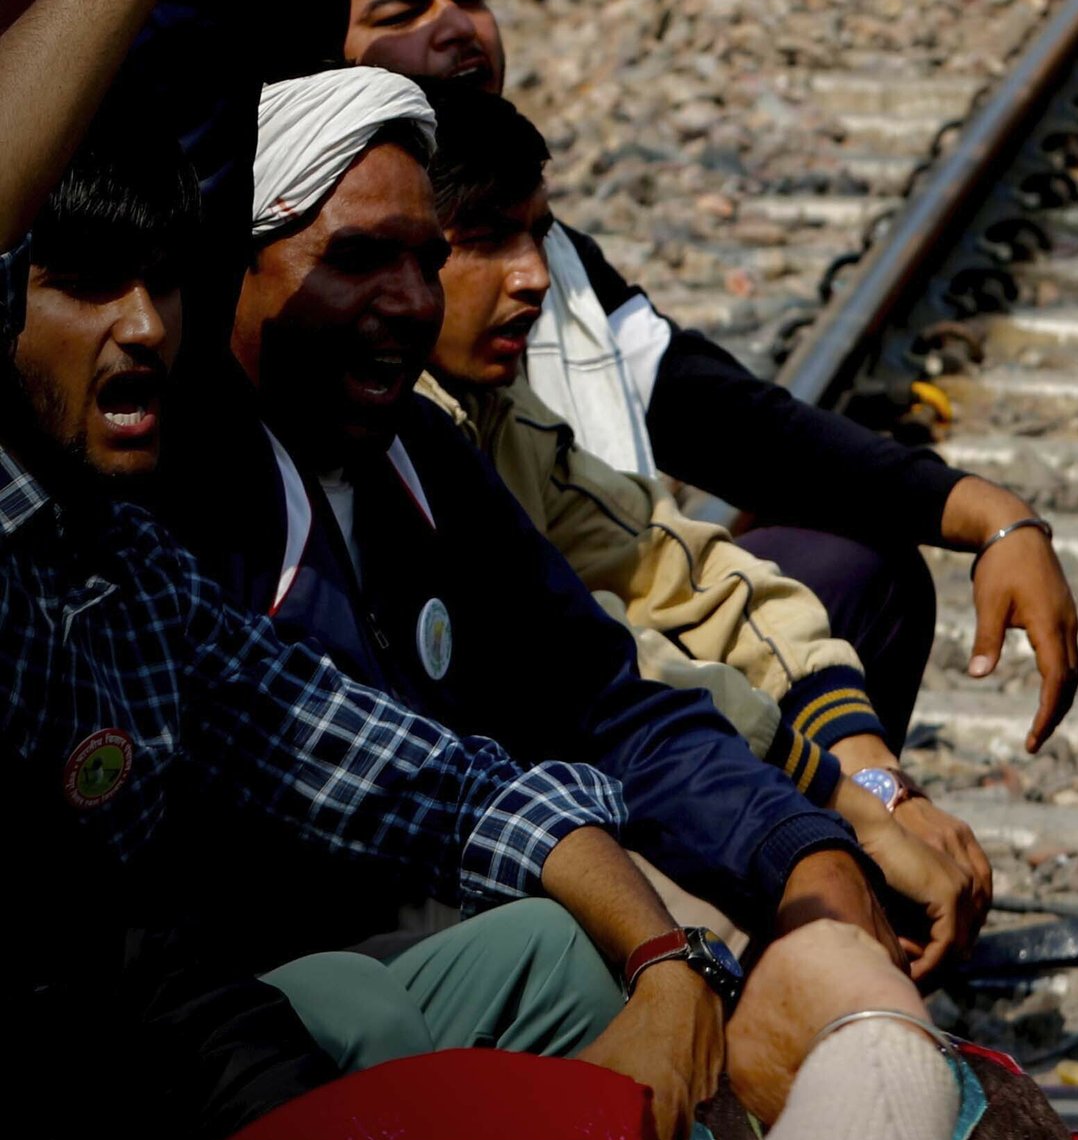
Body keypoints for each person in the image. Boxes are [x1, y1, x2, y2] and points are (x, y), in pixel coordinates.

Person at [0, 0, 717, 1140]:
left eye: (164, 285)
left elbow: (420, 776)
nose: (145, 326)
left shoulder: (132, 578)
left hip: (142, 1014)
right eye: (84, 286)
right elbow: (232, 86)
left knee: (557, 955)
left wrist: (667, 958)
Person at [154, 64, 913, 990]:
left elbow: (603, 696)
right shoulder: (191, 482)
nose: (408, 300)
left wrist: (800, 850)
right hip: (266, 1006)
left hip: (442, 941)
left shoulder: (422, 453)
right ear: (229, 261)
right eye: (355, 259)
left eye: (425, 260)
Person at [344, 0, 1078, 757]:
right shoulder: (334, 338)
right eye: (400, 13)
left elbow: (724, 425)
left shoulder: (555, 264)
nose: (454, 26)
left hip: (605, 647)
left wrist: (984, 513)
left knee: (860, 574)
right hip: (511, 721)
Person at [415, 78, 994, 976]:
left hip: (589, 728)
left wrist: (870, 771)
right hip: (475, 831)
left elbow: (667, 557)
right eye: (486, 241)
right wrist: (841, 802)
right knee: (749, 865)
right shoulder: (409, 432)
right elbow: (599, 664)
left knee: (857, 581)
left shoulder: (497, 407)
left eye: (537, 232)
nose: (533, 273)